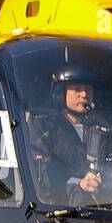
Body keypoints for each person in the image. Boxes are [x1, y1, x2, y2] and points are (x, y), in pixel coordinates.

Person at [35, 72, 103, 203]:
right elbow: (44, 179)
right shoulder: (45, 129)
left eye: (88, 89)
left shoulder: (102, 128)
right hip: (64, 211)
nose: (84, 95)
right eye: (77, 89)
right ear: (61, 94)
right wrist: (79, 184)